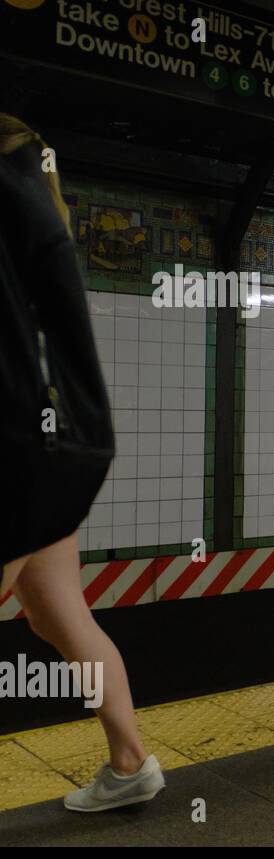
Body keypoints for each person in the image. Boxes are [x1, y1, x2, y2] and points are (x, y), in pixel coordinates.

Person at [0, 115, 165, 811]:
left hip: (8, 445)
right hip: (41, 441)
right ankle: (129, 760)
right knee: (59, 614)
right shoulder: (36, 199)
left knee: (62, 614)